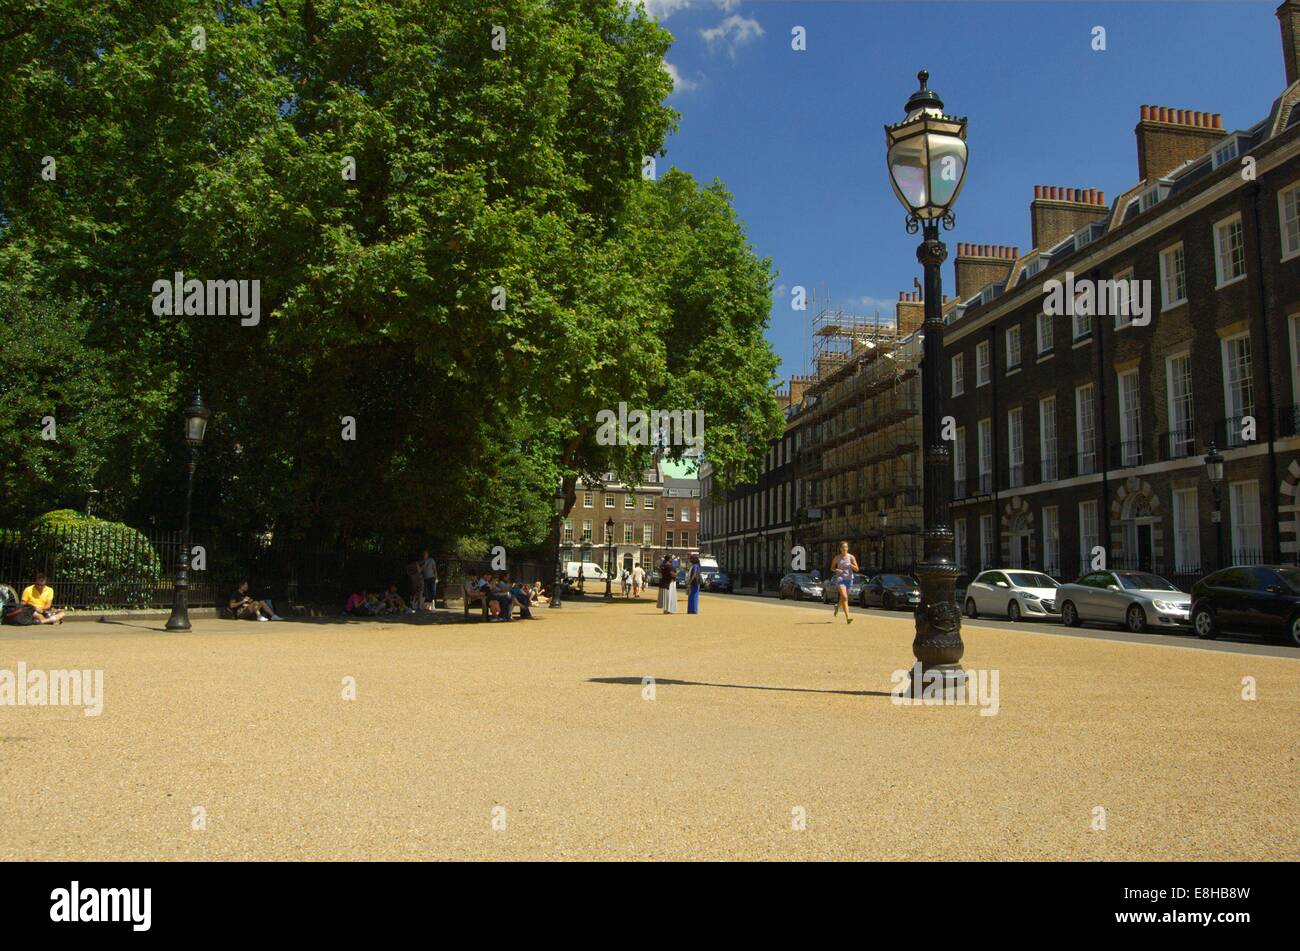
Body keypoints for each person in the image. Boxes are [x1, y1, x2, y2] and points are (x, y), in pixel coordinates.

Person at [831, 540, 860, 625]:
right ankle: (848, 618)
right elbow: (832, 568)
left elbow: (857, 569)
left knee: (843, 599)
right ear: (840, 548)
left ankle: (837, 607)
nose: (845, 549)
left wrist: (851, 565)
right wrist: (837, 569)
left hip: (849, 579)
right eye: (843, 547)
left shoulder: (851, 557)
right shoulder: (837, 558)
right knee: (844, 597)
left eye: (846, 547)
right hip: (840, 579)